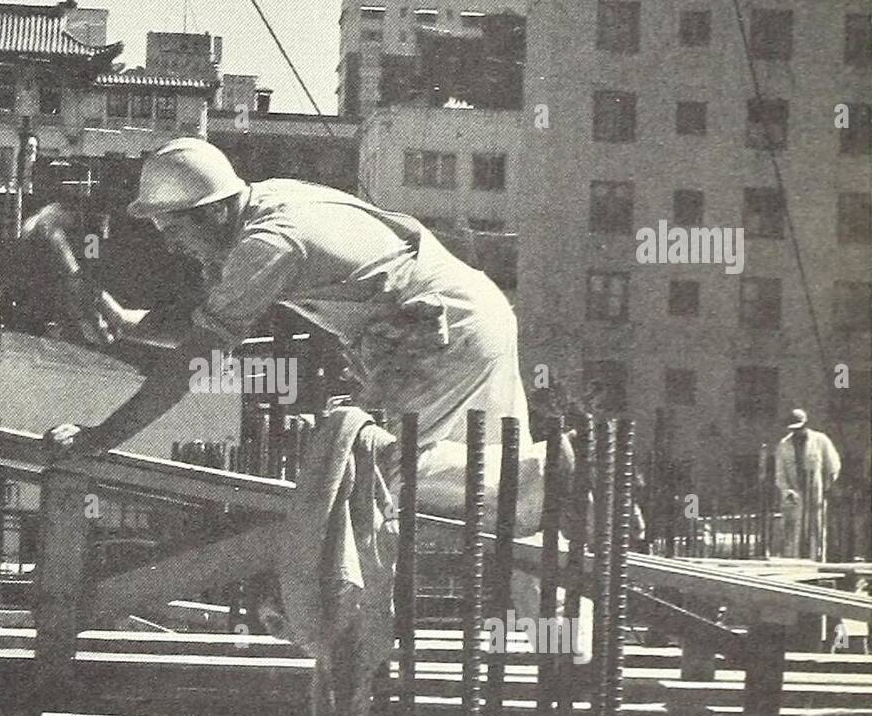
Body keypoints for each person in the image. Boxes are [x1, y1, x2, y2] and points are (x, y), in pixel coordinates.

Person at [48, 138, 554, 533]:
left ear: (214, 212)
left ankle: (544, 482)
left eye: (177, 233)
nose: (176, 249)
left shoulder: (268, 243)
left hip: (440, 333)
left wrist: (102, 436)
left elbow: (199, 359)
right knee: (497, 497)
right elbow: (213, 324)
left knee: (360, 460)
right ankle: (557, 594)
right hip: (475, 314)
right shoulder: (268, 200)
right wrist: (136, 322)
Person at [774, 408, 841, 560]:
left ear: (805, 425)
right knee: (793, 534)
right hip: (794, 496)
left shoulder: (820, 440)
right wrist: (786, 490)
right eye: (793, 429)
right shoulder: (784, 445)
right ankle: (795, 563)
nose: (796, 432)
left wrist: (826, 487)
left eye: (799, 428)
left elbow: (833, 466)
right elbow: (780, 472)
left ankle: (816, 561)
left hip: (815, 494)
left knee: (815, 531)